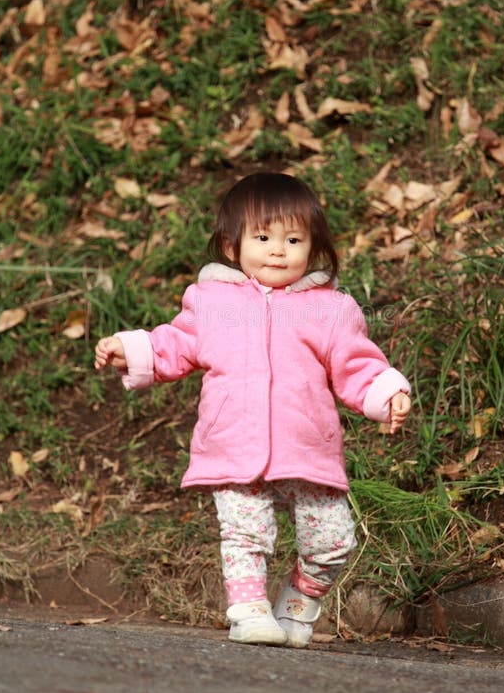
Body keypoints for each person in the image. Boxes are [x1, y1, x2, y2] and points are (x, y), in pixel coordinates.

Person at [95, 172, 411, 647]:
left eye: (293, 239)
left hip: (306, 446)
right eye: (262, 238)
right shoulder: (210, 302)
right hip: (233, 442)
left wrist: (386, 393)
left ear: (313, 246)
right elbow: (175, 343)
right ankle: (248, 612)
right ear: (231, 245)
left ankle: (297, 606)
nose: (278, 250)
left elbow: (355, 361)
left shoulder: (330, 308)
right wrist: (130, 350)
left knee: (332, 538)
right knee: (246, 533)